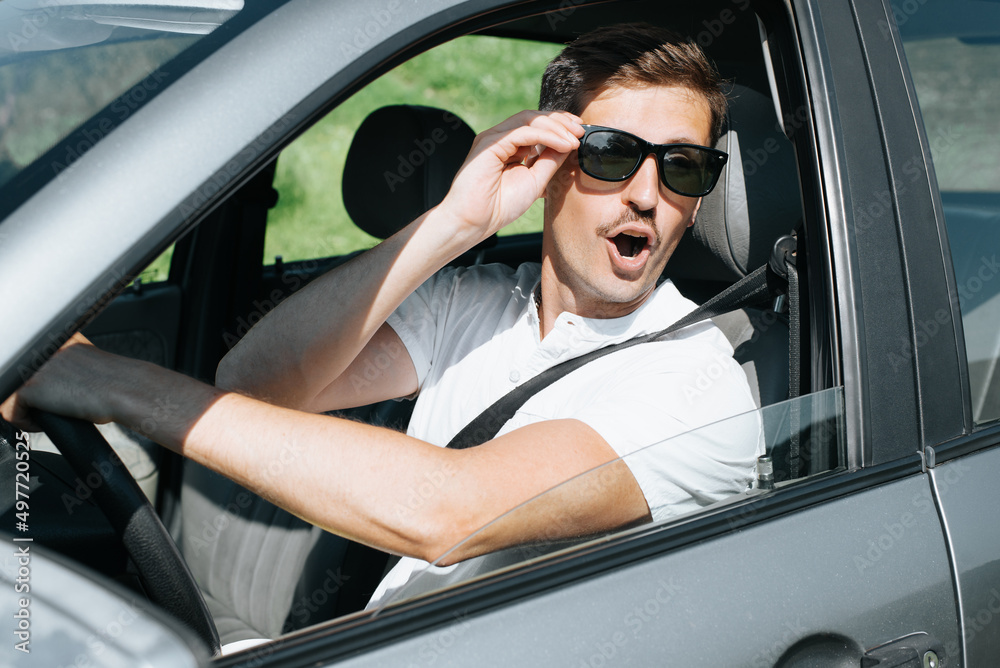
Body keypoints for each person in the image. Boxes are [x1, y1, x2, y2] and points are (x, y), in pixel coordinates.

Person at [2, 23, 760, 610]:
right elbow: (258, 383)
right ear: (549, 164)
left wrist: (110, 384)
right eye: (612, 153)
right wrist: (453, 225)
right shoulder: (479, 299)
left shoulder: (696, 384)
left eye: (683, 166)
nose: (646, 193)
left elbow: (447, 513)